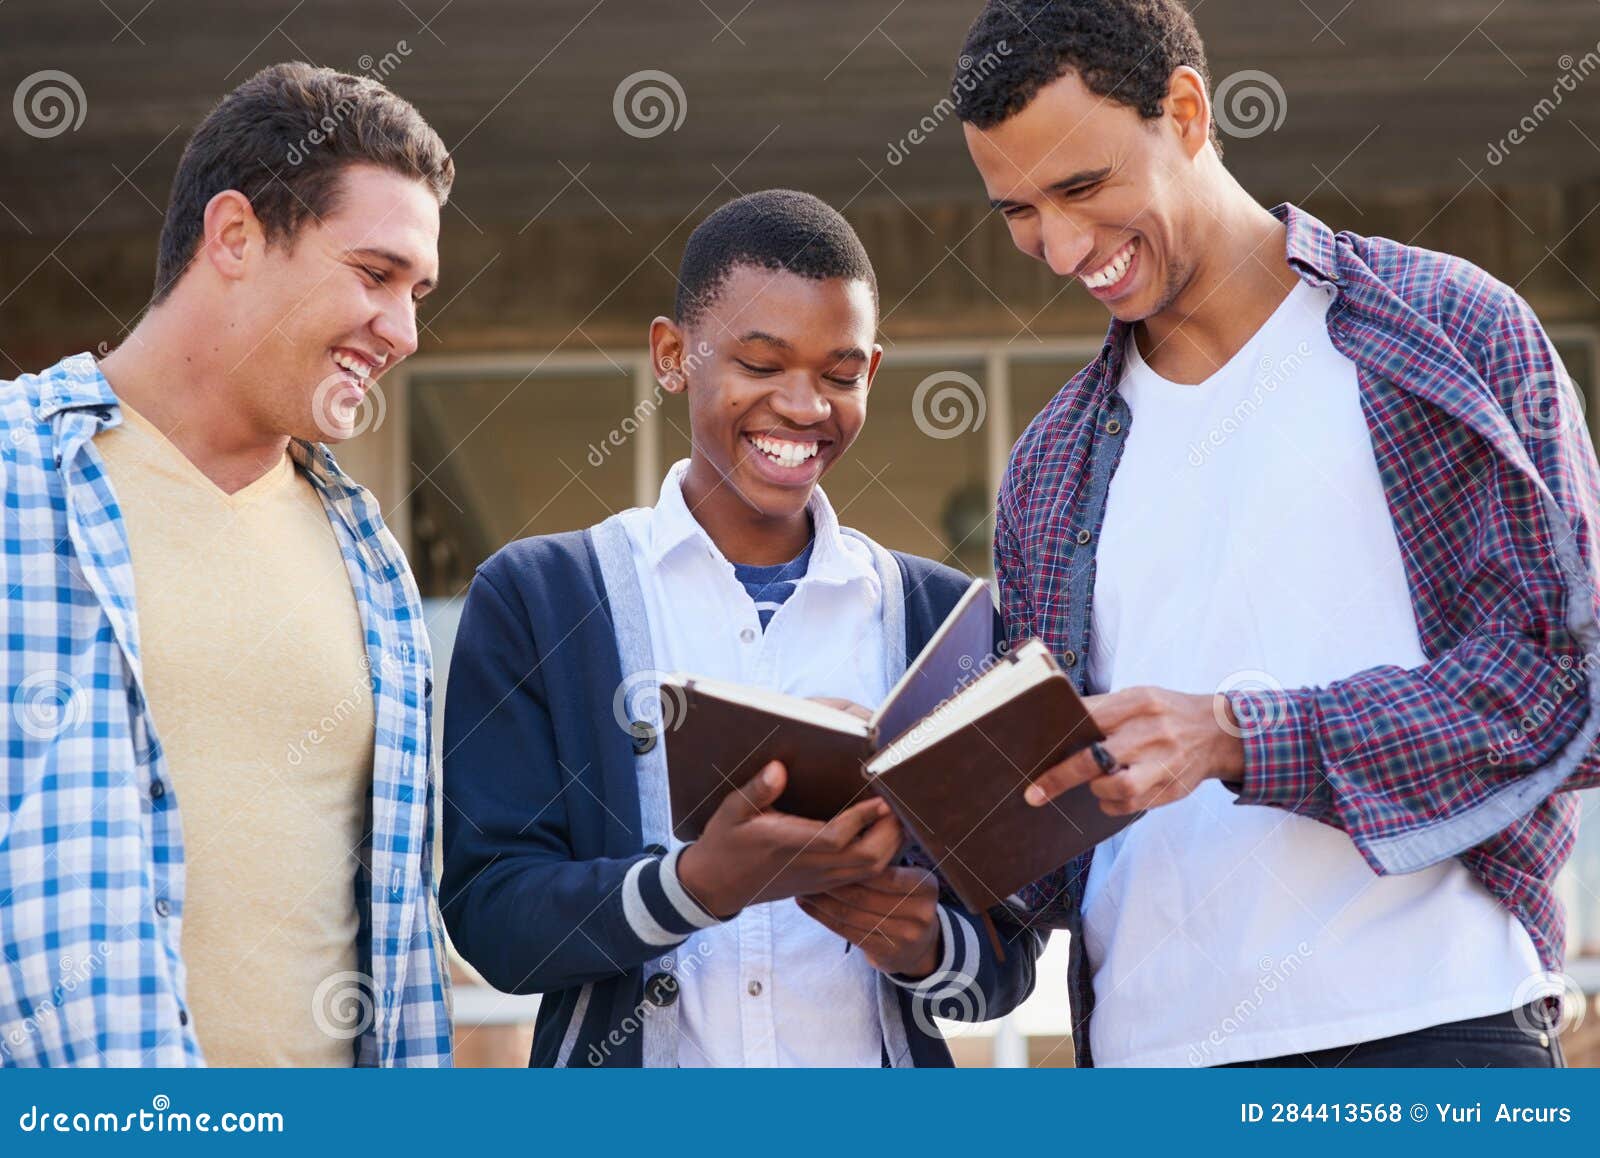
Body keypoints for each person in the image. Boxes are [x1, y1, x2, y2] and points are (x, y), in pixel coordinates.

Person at [953, 0, 1600, 1067]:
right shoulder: (1050, 468)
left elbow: (1566, 686)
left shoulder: (1448, 331)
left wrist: (1240, 734)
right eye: (1018, 210)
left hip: (1433, 1025)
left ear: (1186, 112)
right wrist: (912, 856)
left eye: (1082, 187)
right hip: (1152, 1059)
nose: (1060, 247)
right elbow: (1051, 848)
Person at [440, 189, 1038, 1067]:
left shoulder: (943, 620)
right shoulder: (540, 597)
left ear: (871, 373)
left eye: (840, 376)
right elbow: (493, 920)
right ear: (673, 357)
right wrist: (695, 886)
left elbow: (1010, 958)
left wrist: (922, 943)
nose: (804, 406)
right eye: (761, 364)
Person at [0, 62, 454, 1067]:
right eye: (374, 275)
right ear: (237, 236)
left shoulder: (370, 556)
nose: (404, 332)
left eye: (416, 293)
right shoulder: (15, 479)